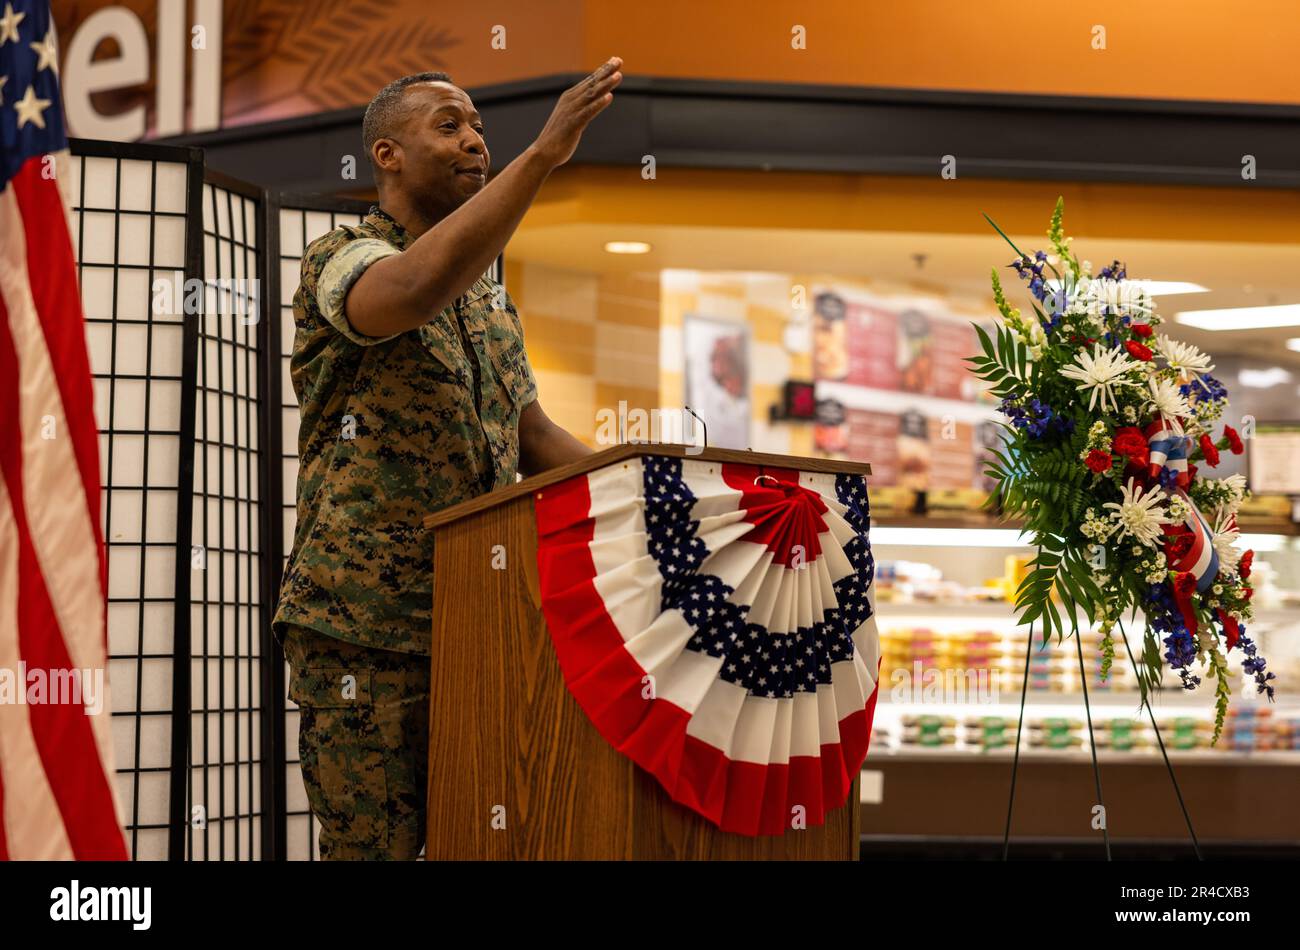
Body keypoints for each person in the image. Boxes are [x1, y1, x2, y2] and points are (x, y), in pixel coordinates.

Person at [271, 58, 623, 859]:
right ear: (387, 154)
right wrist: (542, 156)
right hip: (366, 628)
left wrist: (646, 480)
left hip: (479, 619)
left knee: (480, 838)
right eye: (449, 126)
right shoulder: (341, 257)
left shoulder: (488, 297)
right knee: (377, 853)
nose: (475, 143)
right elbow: (412, 291)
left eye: (480, 129)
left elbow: (532, 437)